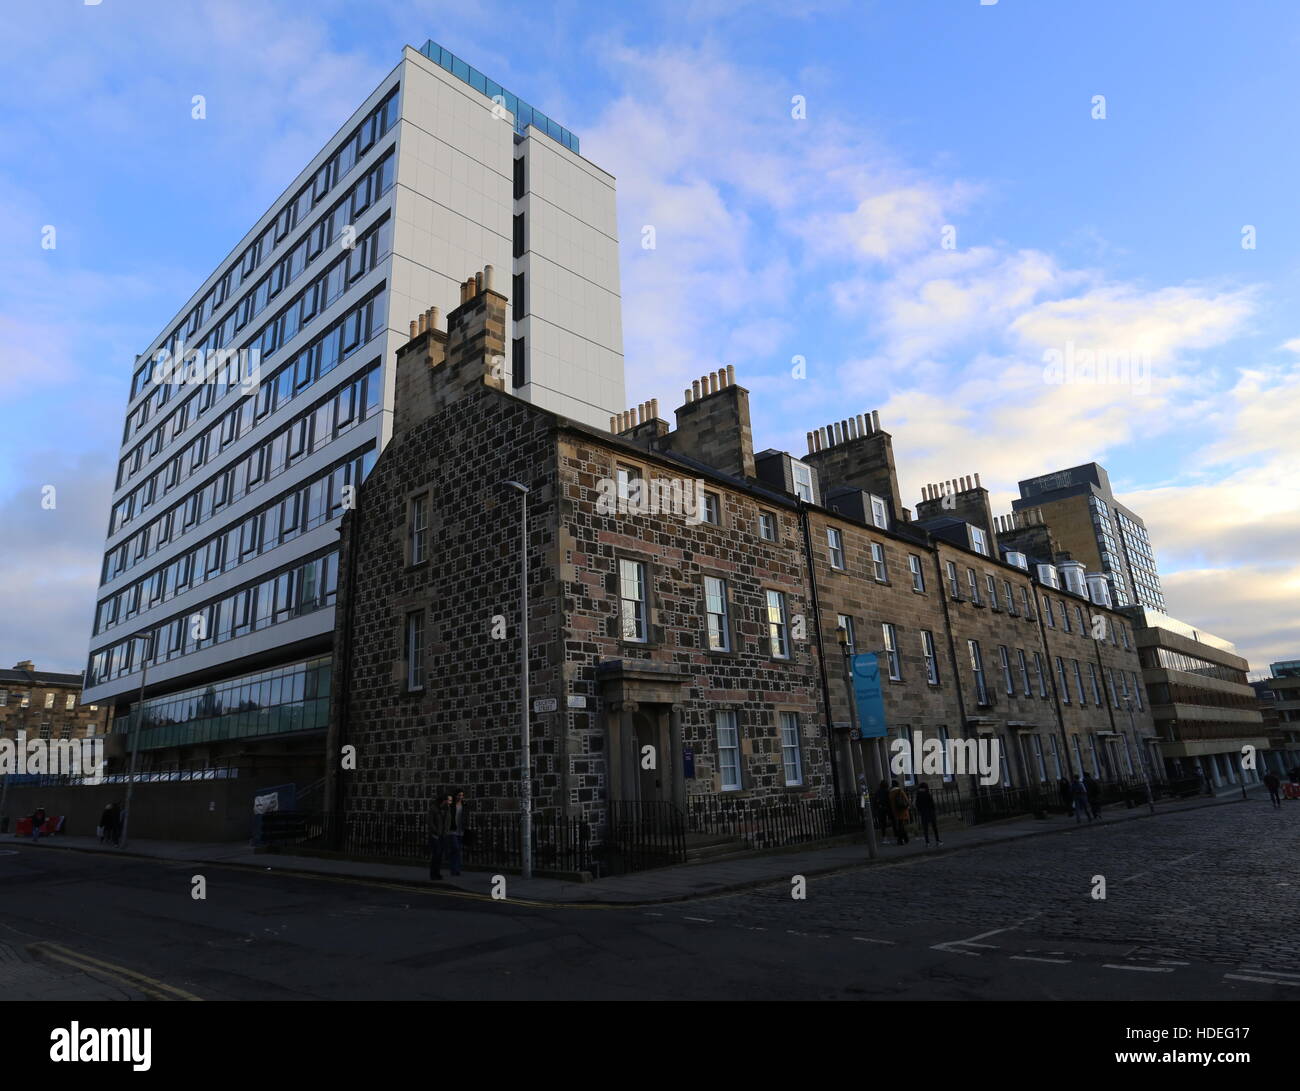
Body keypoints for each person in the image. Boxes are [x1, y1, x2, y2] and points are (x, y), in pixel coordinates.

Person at [427, 791, 451, 880]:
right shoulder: (433, 808)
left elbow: (448, 820)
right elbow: (430, 822)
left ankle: (437, 873)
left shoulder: (447, 809)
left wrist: (446, 830)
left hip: (443, 835)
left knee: (440, 855)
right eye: (447, 800)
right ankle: (433, 874)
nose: (448, 802)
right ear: (443, 800)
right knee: (436, 855)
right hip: (435, 835)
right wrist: (436, 831)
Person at [446, 789, 467, 876]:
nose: (461, 797)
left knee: (458, 851)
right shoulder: (451, 805)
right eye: (459, 795)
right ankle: (454, 869)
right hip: (452, 830)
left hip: (460, 831)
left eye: (462, 795)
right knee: (455, 849)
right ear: (455, 796)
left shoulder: (464, 805)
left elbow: (466, 816)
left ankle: (457, 870)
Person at [887, 780, 911, 845]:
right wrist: (908, 805)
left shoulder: (890, 793)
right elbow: (906, 800)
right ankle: (901, 839)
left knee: (900, 825)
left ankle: (905, 838)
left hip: (895, 811)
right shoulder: (900, 791)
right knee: (901, 826)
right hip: (902, 810)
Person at [874, 778, 892, 844]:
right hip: (886, 809)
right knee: (889, 822)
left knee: (883, 824)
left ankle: (884, 837)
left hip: (880, 809)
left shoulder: (877, 792)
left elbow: (875, 801)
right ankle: (889, 836)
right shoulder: (887, 791)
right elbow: (889, 801)